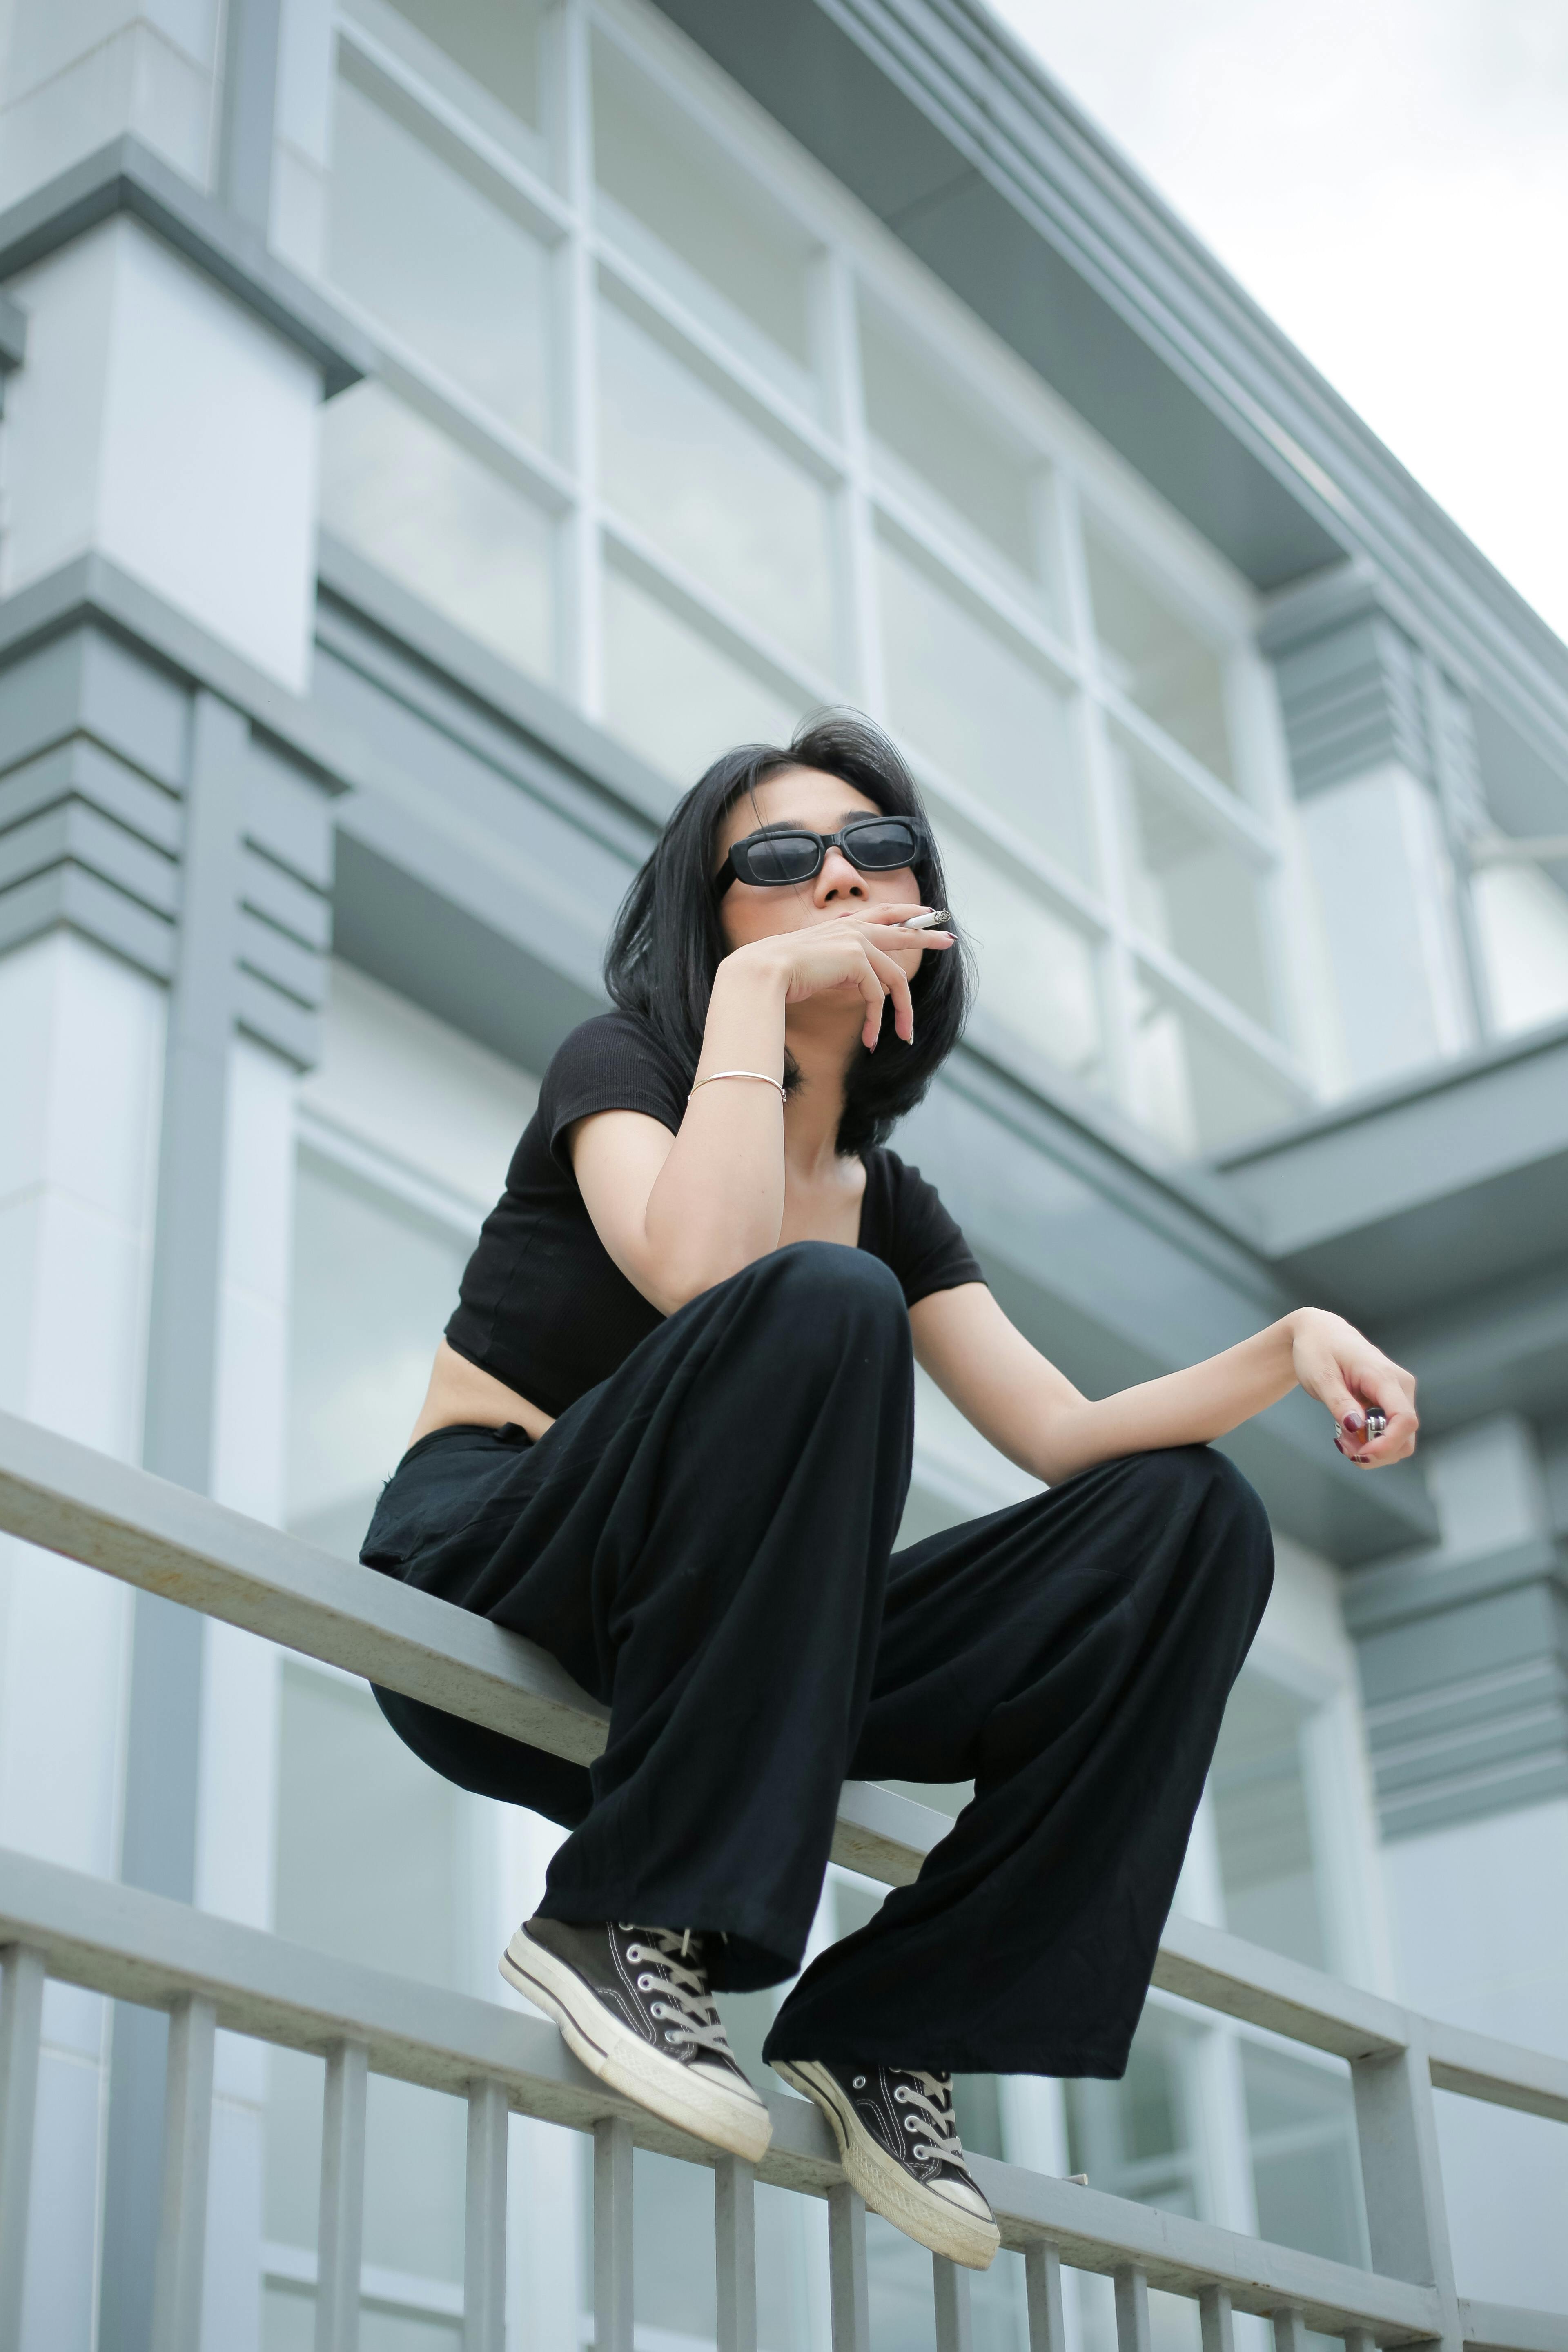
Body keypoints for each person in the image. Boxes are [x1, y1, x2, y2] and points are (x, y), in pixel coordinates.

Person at [361, 713, 1417, 2271]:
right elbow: (703, 1273)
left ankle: (898, 2022)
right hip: (498, 1565)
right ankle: (612, 1920)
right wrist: (748, 1004)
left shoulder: (889, 1204)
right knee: (816, 1299)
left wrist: (1287, 1345)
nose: (838, 880)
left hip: (732, 1647)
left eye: (876, 849)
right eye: (777, 863)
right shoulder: (624, 1065)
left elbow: (1064, 1435)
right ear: (714, 918)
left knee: (1186, 1521)